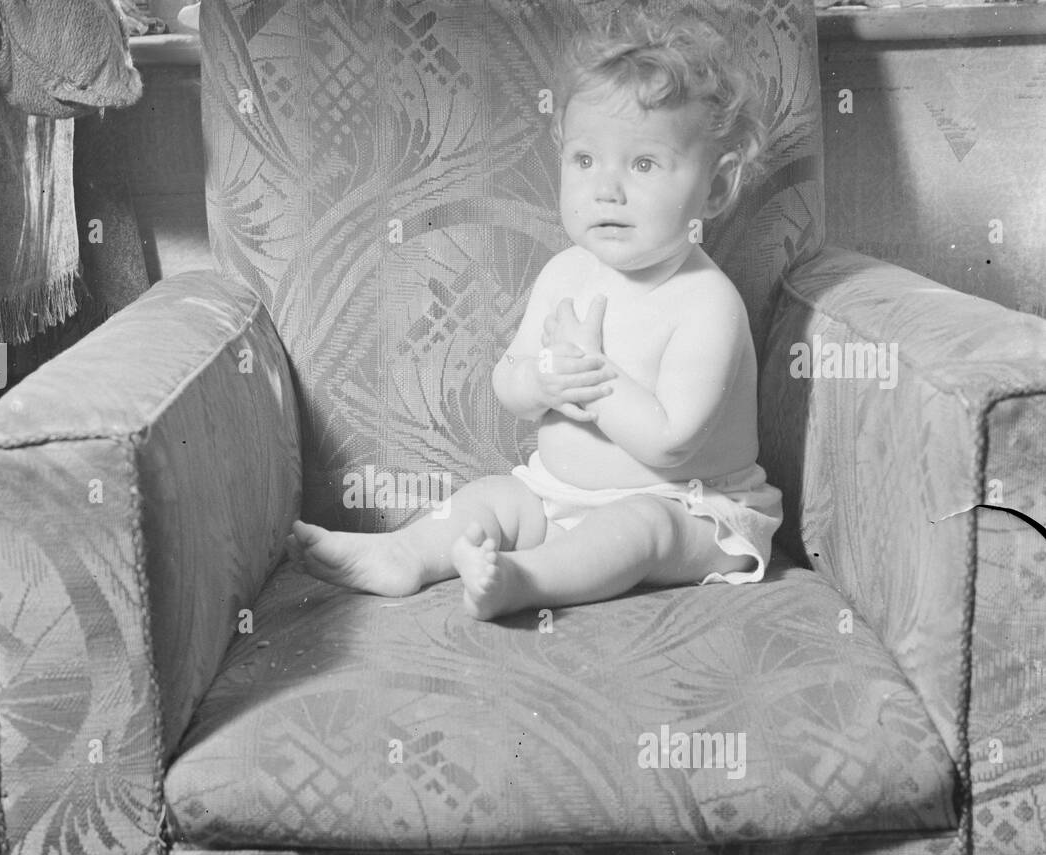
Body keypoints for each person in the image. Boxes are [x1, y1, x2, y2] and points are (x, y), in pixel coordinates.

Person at [289, 9, 783, 621]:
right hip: (557, 496)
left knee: (640, 527)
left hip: (694, 511)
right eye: (584, 161)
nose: (606, 189)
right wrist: (539, 381)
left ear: (716, 187)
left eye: (644, 164)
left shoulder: (705, 300)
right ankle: (406, 554)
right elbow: (510, 382)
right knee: (493, 496)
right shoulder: (565, 273)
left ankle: (523, 579)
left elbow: (672, 443)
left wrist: (589, 375)